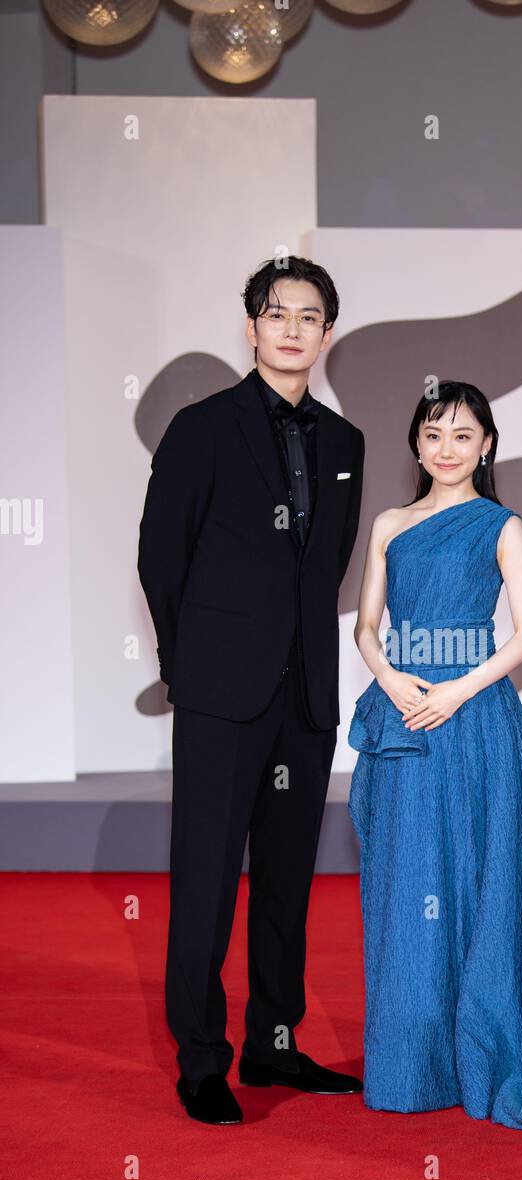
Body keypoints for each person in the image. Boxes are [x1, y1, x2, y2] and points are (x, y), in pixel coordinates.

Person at [347, 381, 522, 1138]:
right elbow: (367, 625)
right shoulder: (390, 524)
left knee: (490, 877)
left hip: (476, 715)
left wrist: (456, 692)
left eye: (464, 436)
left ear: (487, 445)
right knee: (407, 883)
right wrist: (394, 680)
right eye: (434, 434)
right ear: (416, 443)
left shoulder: (503, 525)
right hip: (404, 714)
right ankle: (414, 1067)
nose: (448, 449)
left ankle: (492, 1049)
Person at [138, 255, 365, 1124]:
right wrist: (188, 664)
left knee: (286, 883)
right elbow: (163, 557)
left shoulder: (345, 444)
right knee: (203, 879)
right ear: (251, 325)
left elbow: (326, 570)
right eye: (278, 313)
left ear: (327, 332)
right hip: (217, 697)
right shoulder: (200, 429)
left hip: (304, 696)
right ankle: (203, 1057)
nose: (293, 329)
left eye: (311, 316)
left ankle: (274, 1043)